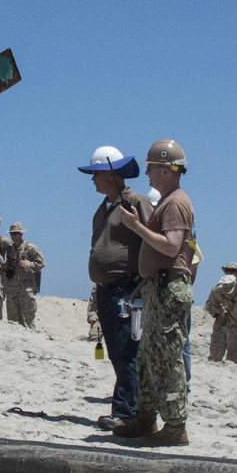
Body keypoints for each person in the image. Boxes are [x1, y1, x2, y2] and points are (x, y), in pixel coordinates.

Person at [110, 139, 197, 447]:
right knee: (148, 356)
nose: (146, 174)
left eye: (151, 169)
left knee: (168, 357)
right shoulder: (169, 202)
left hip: (168, 289)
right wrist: (144, 282)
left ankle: (175, 425)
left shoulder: (175, 204)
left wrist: (136, 227)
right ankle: (146, 417)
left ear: (165, 170)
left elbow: (172, 247)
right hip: (158, 286)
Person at [82, 145, 149, 431]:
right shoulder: (104, 208)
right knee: (116, 352)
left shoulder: (135, 202)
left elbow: (153, 240)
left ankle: (128, 413)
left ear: (110, 174)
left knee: (127, 352)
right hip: (107, 290)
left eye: (96, 174)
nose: (93, 180)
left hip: (127, 290)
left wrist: (142, 284)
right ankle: (125, 410)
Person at [1, 222, 46, 328]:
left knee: (28, 319)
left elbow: (41, 263)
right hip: (12, 288)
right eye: (12, 234)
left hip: (26, 288)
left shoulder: (30, 248)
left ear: (21, 234)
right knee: (12, 321)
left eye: (16, 233)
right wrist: (5, 266)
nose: (13, 236)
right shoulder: (10, 249)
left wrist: (27, 264)